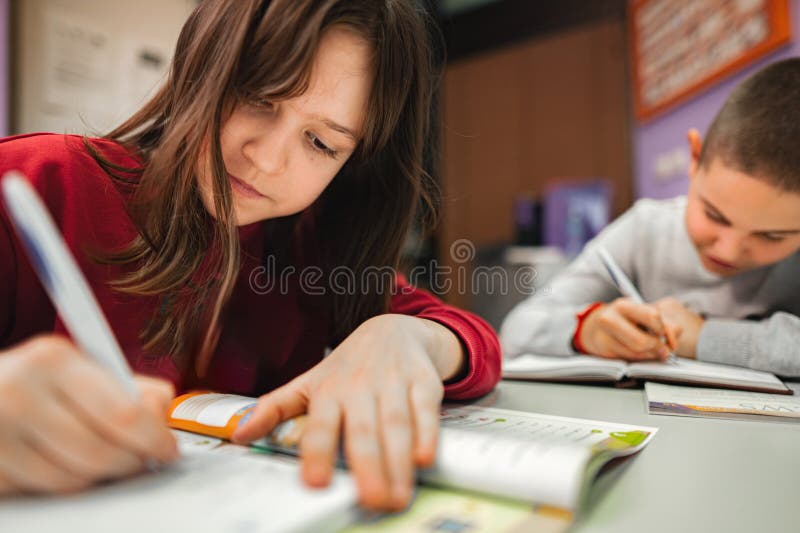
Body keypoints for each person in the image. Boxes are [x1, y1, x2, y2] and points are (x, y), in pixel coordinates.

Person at [0, 0, 501, 510]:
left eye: (321, 143)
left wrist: (403, 336)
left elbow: (472, 341)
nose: (266, 158)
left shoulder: (309, 252)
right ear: (203, 66)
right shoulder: (36, 178)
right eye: (259, 98)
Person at [501, 58, 800, 379]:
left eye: (772, 236)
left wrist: (701, 338)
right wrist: (585, 330)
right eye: (714, 215)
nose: (727, 251)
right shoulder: (645, 231)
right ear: (694, 158)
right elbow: (519, 328)